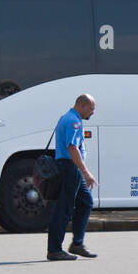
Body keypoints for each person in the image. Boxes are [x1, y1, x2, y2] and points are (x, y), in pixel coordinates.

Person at [47, 94, 99, 260]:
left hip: (71, 167)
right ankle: (54, 249)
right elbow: (72, 148)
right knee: (64, 208)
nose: (92, 113)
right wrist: (85, 172)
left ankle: (77, 244)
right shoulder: (73, 121)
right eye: (91, 109)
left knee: (86, 202)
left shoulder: (67, 117)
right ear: (82, 106)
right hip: (70, 168)